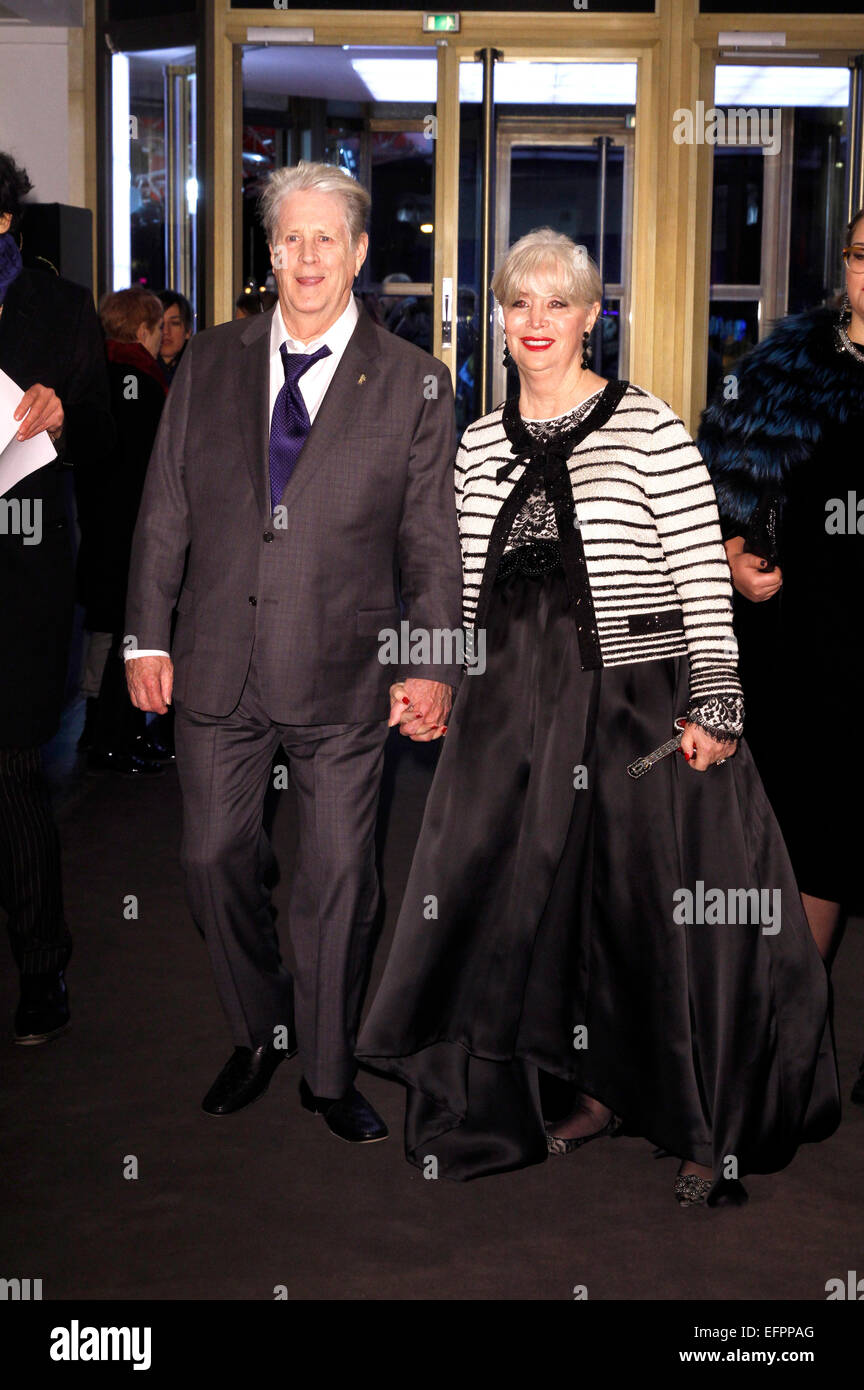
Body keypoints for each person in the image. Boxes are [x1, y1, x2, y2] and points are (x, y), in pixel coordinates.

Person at [357, 229, 840, 1206]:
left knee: (658, 915)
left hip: (633, 711)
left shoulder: (648, 427)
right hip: (508, 716)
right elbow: (458, 595)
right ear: (497, 320)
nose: (535, 322)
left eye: (556, 303)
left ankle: (704, 1120)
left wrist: (715, 701)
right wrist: (434, 677)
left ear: (589, 318)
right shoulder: (479, 442)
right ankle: (574, 1089)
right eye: (517, 304)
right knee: (521, 905)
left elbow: (705, 577)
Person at [124, 161, 463, 1140]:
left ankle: (325, 1066)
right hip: (216, 663)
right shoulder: (210, 363)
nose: (309, 257)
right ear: (269, 253)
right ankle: (258, 1023)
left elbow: (431, 540)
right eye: (291, 239)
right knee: (210, 857)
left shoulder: (415, 383)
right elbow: (165, 512)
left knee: (343, 881)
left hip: (347, 674)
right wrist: (145, 635)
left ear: (360, 252)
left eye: (329, 238)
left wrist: (434, 662)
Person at [698, 208, 864, 1102]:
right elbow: (712, 481)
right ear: (845, 265)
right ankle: (781, 1053)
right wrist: (728, 550)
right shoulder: (777, 371)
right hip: (801, 648)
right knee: (809, 844)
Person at [0, 151, 114, 1043]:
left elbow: (108, 440)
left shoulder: (60, 309)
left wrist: (65, 415)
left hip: (20, 576)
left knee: (12, 776)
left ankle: (43, 970)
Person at [76, 287, 168, 775]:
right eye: (156, 329)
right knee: (131, 639)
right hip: (134, 531)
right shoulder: (145, 384)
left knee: (112, 634)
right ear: (141, 331)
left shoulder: (95, 377)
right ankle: (118, 739)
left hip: (100, 528)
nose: (159, 339)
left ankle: (109, 734)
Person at [157, 289, 192, 384]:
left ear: (188, 331)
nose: (165, 331)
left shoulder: (198, 371)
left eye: (174, 323)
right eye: (160, 324)